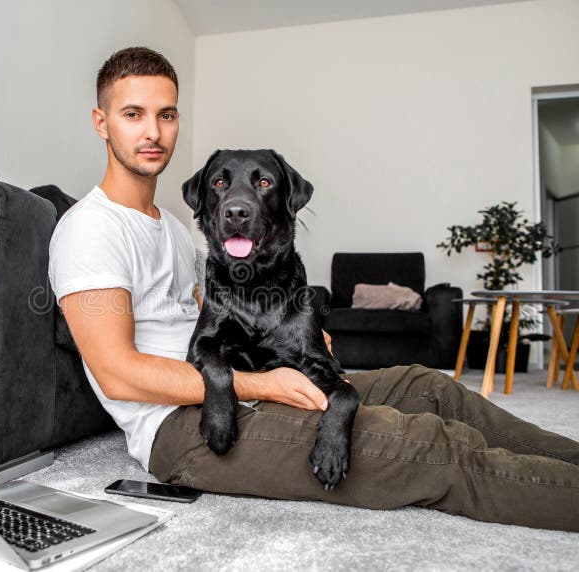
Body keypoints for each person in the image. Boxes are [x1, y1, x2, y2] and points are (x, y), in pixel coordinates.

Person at [48, 46, 579, 532]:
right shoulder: (89, 229)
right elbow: (116, 374)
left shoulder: (172, 226)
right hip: (185, 429)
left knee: (431, 387)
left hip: (251, 379)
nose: (153, 132)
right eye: (132, 114)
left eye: (166, 114)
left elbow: (208, 316)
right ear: (102, 122)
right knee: (427, 447)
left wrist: (298, 340)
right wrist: (264, 385)